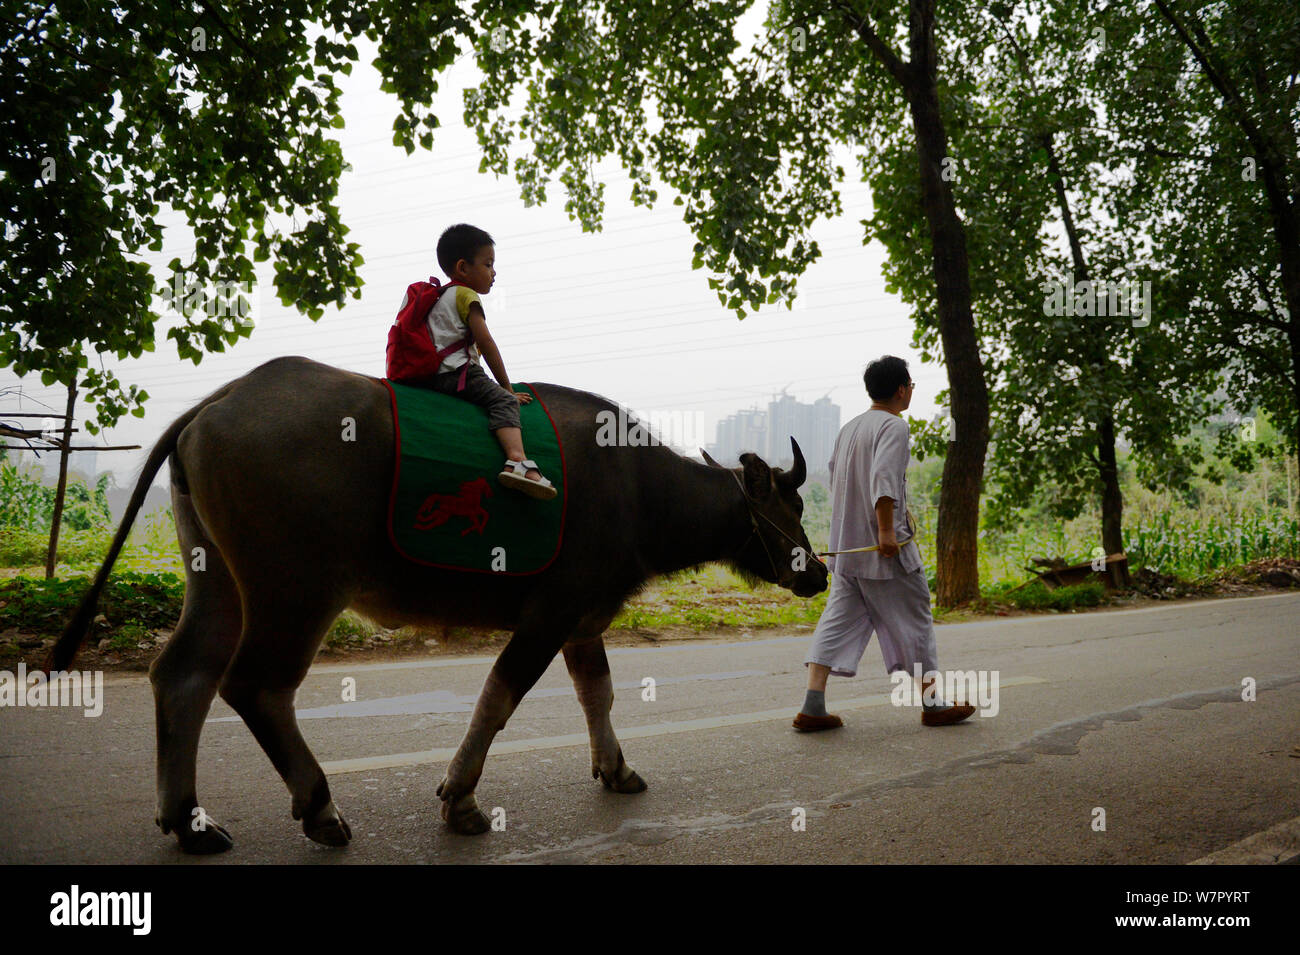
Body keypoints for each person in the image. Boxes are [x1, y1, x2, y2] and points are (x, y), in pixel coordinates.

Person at [793, 355, 975, 731]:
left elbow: (837, 478)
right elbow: (884, 479)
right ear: (901, 389)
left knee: (836, 623)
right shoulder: (894, 426)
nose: (911, 391)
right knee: (916, 619)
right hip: (885, 552)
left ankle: (812, 706)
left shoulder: (850, 428)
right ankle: (934, 705)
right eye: (911, 385)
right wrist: (887, 532)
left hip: (848, 551)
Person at [406, 223, 556, 500]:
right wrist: (507, 389)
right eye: (488, 264)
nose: (493, 272)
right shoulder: (466, 295)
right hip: (460, 373)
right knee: (504, 402)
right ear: (463, 268)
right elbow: (486, 344)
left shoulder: (438, 297)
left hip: (433, 377)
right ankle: (518, 461)